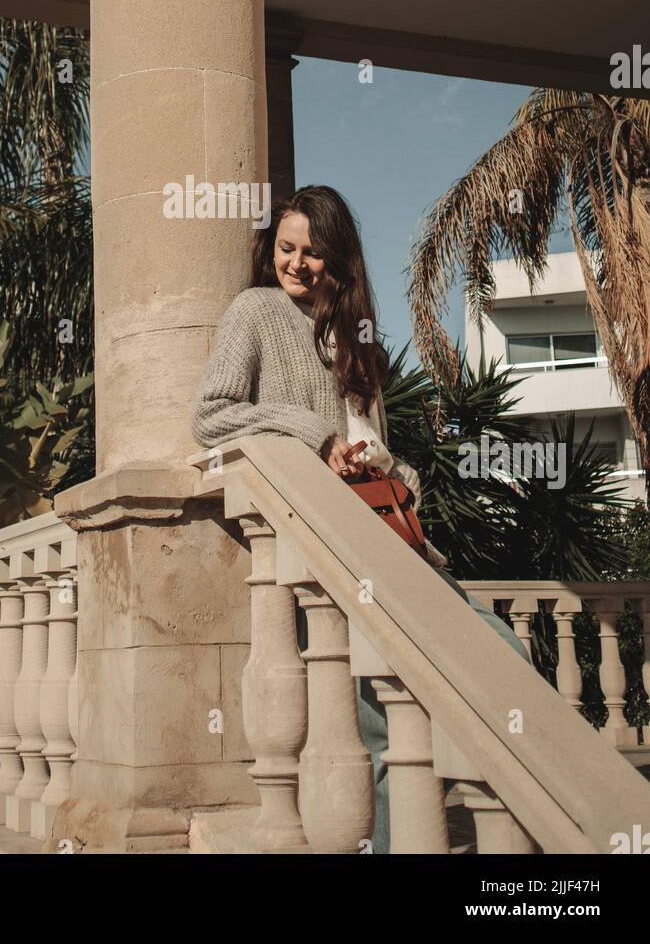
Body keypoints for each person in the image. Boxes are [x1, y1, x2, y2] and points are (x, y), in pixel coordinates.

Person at [191, 184, 531, 853]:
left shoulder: (354, 337)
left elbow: (381, 449)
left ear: (338, 260)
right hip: (324, 546)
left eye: (313, 253)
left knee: (503, 651)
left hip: (390, 541)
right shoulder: (255, 311)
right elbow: (211, 414)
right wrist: (317, 438)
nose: (296, 263)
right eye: (286, 248)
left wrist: (386, 469)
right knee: (376, 726)